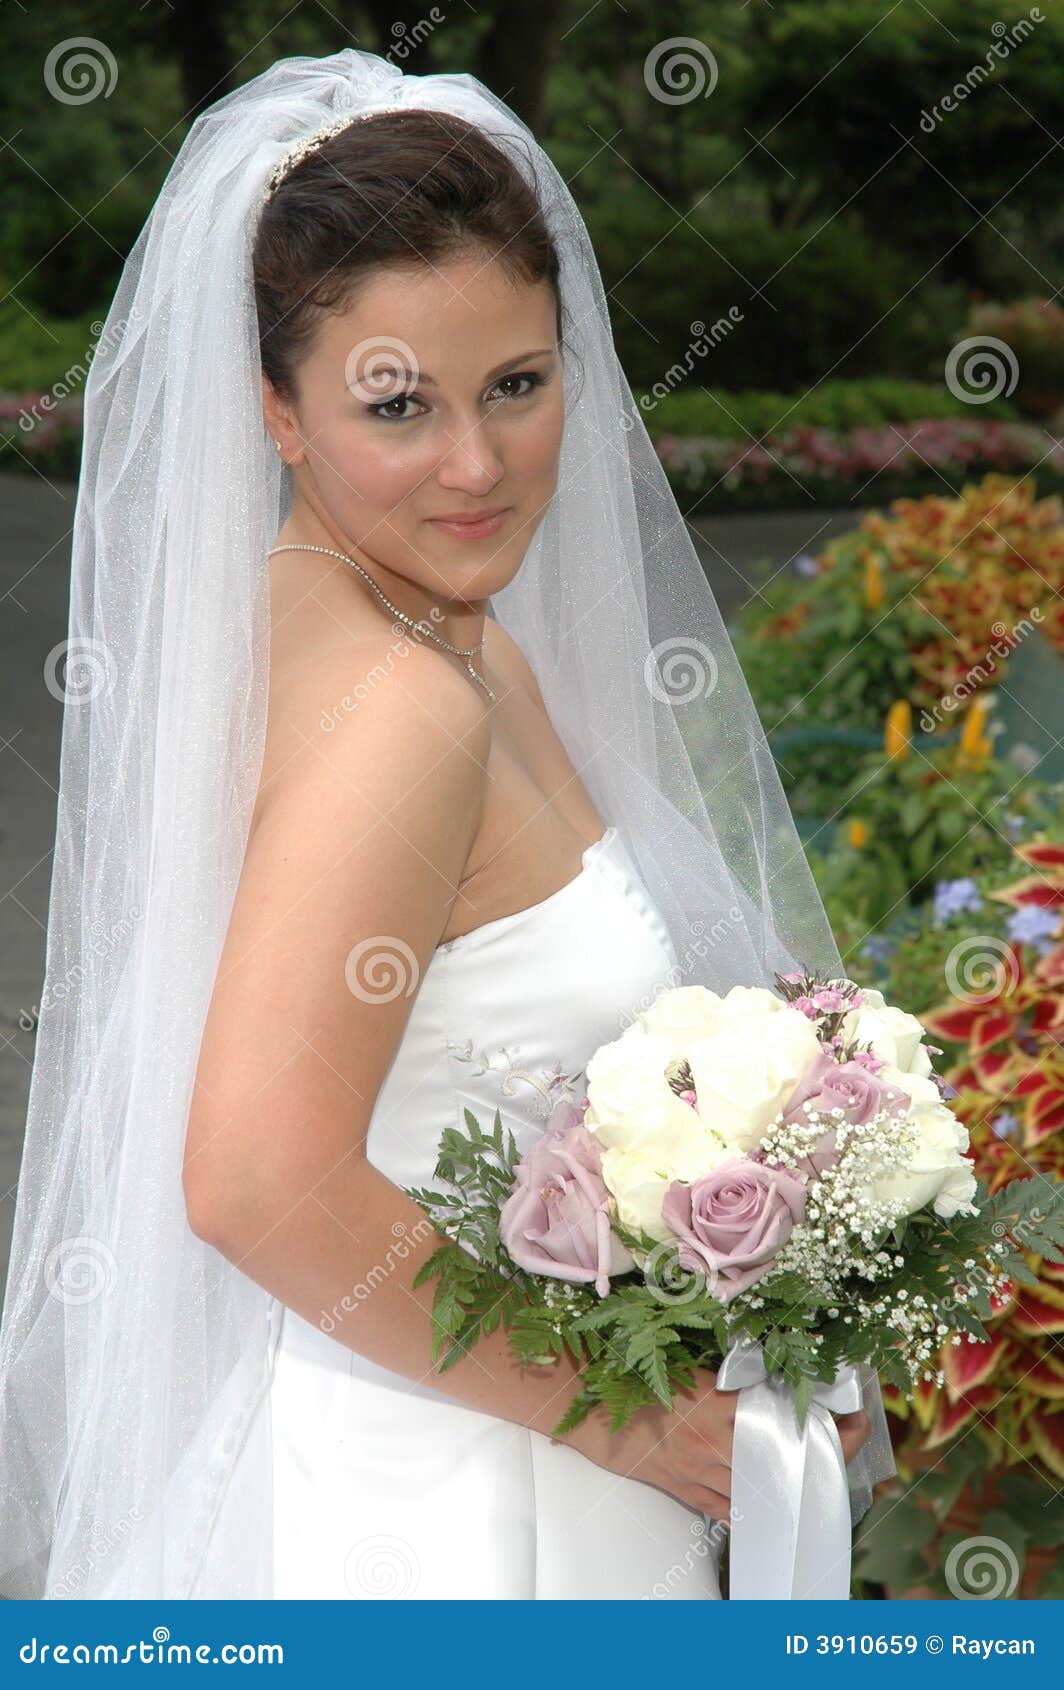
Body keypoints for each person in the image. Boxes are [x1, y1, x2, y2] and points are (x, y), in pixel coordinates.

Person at [0, 47, 895, 1600]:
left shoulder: (422, 633)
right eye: (397, 404)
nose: (477, 466)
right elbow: (254, 1182)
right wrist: (617, 1419)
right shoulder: (404, 713)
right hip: (461, 1532)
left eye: (518, 387)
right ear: (277, 411)